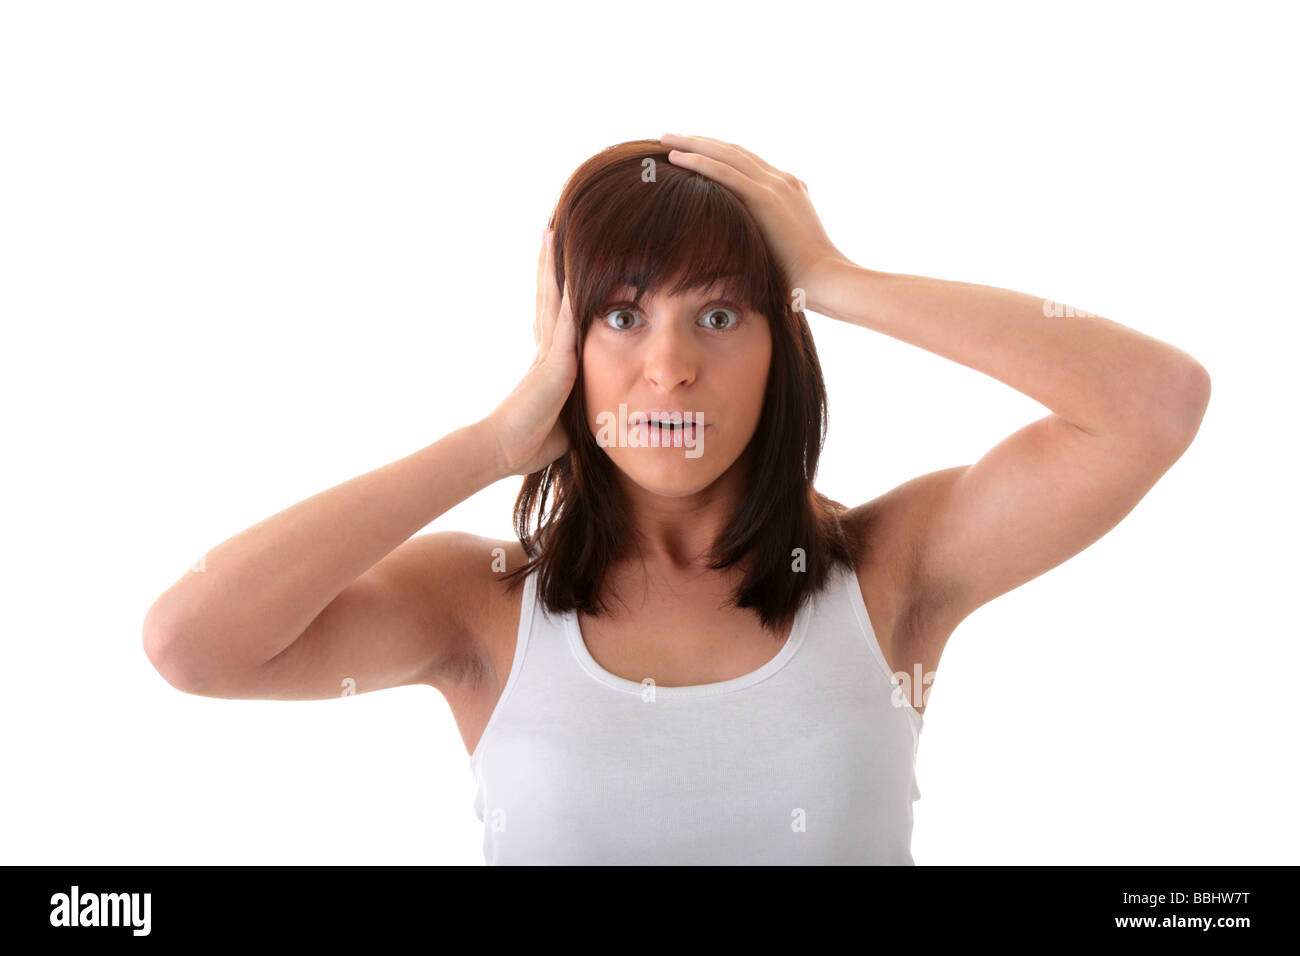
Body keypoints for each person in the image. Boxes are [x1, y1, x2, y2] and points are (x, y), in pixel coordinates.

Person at [142, 135, 1211, 865]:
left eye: (718, 317)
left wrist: (833, 277)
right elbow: (192, 641)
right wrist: (490, 442)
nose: (668, 368)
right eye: (618, 315)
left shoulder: (893, 565)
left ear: (779, 342)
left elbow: (1154, 402)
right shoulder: (480, 604)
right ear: (563, 341)